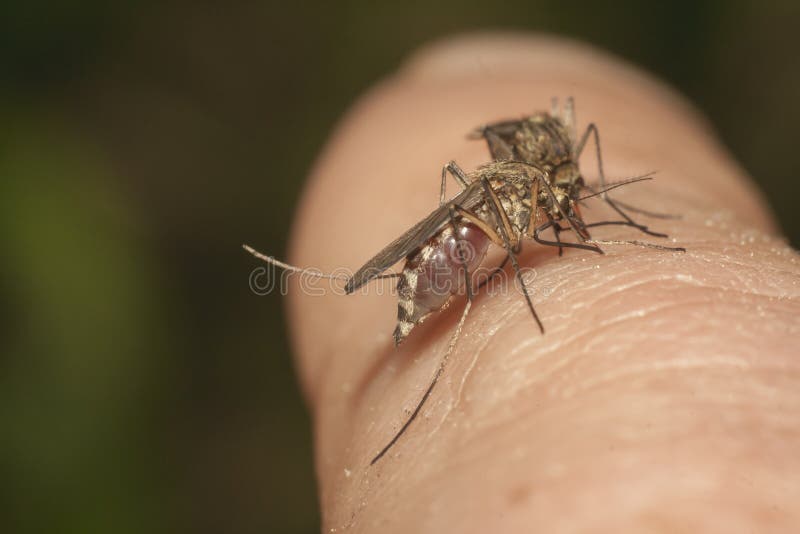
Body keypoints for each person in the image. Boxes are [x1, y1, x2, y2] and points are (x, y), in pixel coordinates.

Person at [286, 34, 800, 531]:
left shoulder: (543, 175)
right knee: (487, 226)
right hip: (452, 241)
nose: (568, 213)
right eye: (564, 205)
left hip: (474, 222)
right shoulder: (524, 186)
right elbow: (507, 218)